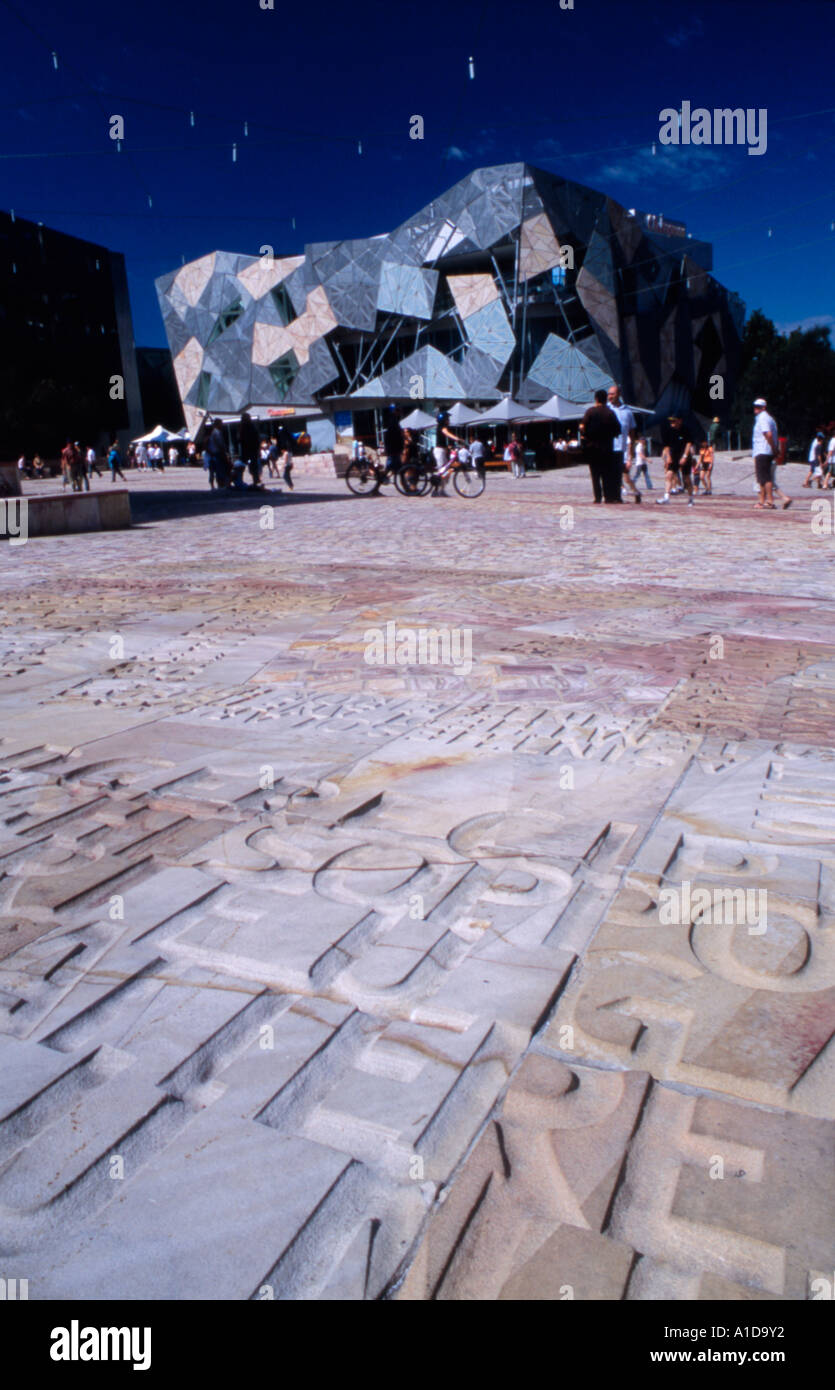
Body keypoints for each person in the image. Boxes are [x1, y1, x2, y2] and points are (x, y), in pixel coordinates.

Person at [581, 390, 621, 502]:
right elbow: (618, 430)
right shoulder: (610, 413)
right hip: (607, 448)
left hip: (592, 448)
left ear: (596, 399)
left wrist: (586, 435)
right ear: (605, 399)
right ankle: (608, 496)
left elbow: (582, 427)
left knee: (595, 474)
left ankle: (597, 497)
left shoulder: (590, 412)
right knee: (606, 474)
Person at [606, 385, 640, 503]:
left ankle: (635, 492)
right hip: (609, 448)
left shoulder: (627, 411)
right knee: (613, 474)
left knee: (625, 475)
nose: (610, 396)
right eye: (609, 394)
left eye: (612, 394)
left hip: (622, 449)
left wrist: (631, 455)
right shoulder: (606, 410)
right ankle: (615, 496)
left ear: (619, 394)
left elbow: (632, 433)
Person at [656, 414, 695, 505]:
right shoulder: (668, 430)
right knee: (669, 475)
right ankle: (666, 498)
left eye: (674, 420)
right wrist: (668, 457)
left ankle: (691, 499)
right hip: (674, 455)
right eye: (671, 421)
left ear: (680, 421)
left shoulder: (686, 429)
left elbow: (689, 444)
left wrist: (685, 456)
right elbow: (666, 446)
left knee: (686, 478)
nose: (672, 422)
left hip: (684, 455)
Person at [752, 397, 780, 510]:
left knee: (765, 478)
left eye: (758, 407)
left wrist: (774, 448)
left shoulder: (763, 418)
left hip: (763, 450)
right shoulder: (767, 418)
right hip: (762, 450)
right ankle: (762, 501)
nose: (756, 409)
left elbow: (768, 434)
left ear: (763, 408)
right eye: (755, 406)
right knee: (761, 478)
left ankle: (770, 501)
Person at [239, 411, 261, 487]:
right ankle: (255, 479)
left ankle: (241, 480)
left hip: (248, 449)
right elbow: (257, 439)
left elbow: (242, 439)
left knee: (243, 465)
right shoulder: (251, 426)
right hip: (251, 449)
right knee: (252, 465)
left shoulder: (245, 427)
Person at [383, 411, 404, 476]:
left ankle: (383, 476)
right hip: (394, 449)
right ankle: (382, 477)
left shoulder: (391, 425)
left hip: (392, 449)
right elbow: (398, 438)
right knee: (391, 464)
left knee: (395, 465)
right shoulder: (395, 425)